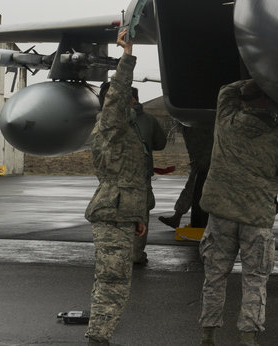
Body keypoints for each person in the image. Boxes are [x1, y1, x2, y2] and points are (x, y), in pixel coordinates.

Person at [197, 80, 278, 346]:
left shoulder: (224, 122)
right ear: (267, 102)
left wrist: (257, 76)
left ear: (243, 101)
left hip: (220, 216)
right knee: (255, 280)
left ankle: (208, 335)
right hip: (256, 218)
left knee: (214, 277)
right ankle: (248, 337)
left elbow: (225, 90)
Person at [83, 29, 148, 345]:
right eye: (130, 98)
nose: (135, 101)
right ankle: (98, 337)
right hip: (112, 210)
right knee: (113, 279)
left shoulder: (125, 131)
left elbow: (133, 175)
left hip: (122, 210)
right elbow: (118, 93)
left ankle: (98, 333)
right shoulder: (111, 125)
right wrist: (127, 56)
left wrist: (138, 216)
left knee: (113, 278)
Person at [121, 86, 167, 267]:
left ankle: (118, 252)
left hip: (117, 177)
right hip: (141, 177)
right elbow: (161, 143)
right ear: (136, 100)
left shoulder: (111, 120)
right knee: (141, 215)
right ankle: (136, 254)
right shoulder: (149, 120)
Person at [158, 124, 213, 229]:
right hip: (200, 143)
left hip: (205, 152)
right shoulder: (190, 126)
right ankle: (177, 216)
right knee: (195, 180)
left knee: (195, 180)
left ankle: (178, 216)